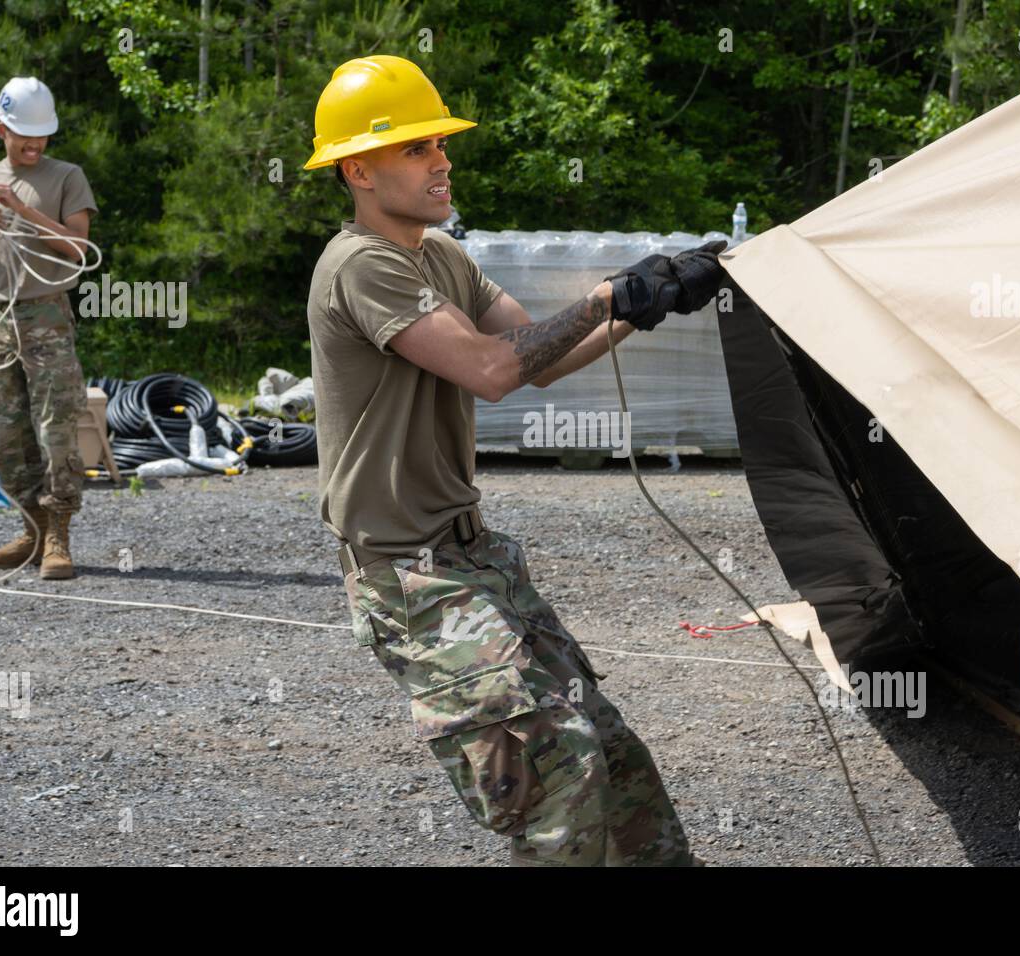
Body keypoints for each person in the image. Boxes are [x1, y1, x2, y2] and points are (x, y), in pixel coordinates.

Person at [304, 55, 727, 866]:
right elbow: (496, 372)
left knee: (615, 756)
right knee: (555, 774)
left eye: (440, 145)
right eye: (418, 148)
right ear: (358, 169)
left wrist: (652, 302)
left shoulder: (440, 256)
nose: (442, 161)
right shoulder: (361, 264)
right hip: (410, 576)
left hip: (472, 557)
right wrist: (608, 295)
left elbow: (539, 351)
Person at [0, 76, 98, 579]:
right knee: (7, 430)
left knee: (56, 424)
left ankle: (59, 532)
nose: (34, 143)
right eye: (24, 135)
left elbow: (79, 249)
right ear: (3, 130)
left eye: (41, 135)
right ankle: (31, 531)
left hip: (46, 315)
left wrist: (21, 210)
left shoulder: (66, 177)